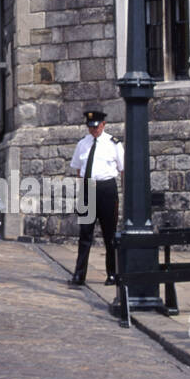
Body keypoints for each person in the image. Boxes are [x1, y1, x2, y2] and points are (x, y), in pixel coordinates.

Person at [68, 108, 124, 286]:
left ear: (104, 124)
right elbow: (79, 169)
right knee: (85, 234)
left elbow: (122, 170)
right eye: (90, 127)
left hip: (107, 189)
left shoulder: (113, 143)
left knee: (110, 235)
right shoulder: (82, 144)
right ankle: (79, 274)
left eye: (97, 126)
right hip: (88, 189)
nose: (93, 130)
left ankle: (112, 274)